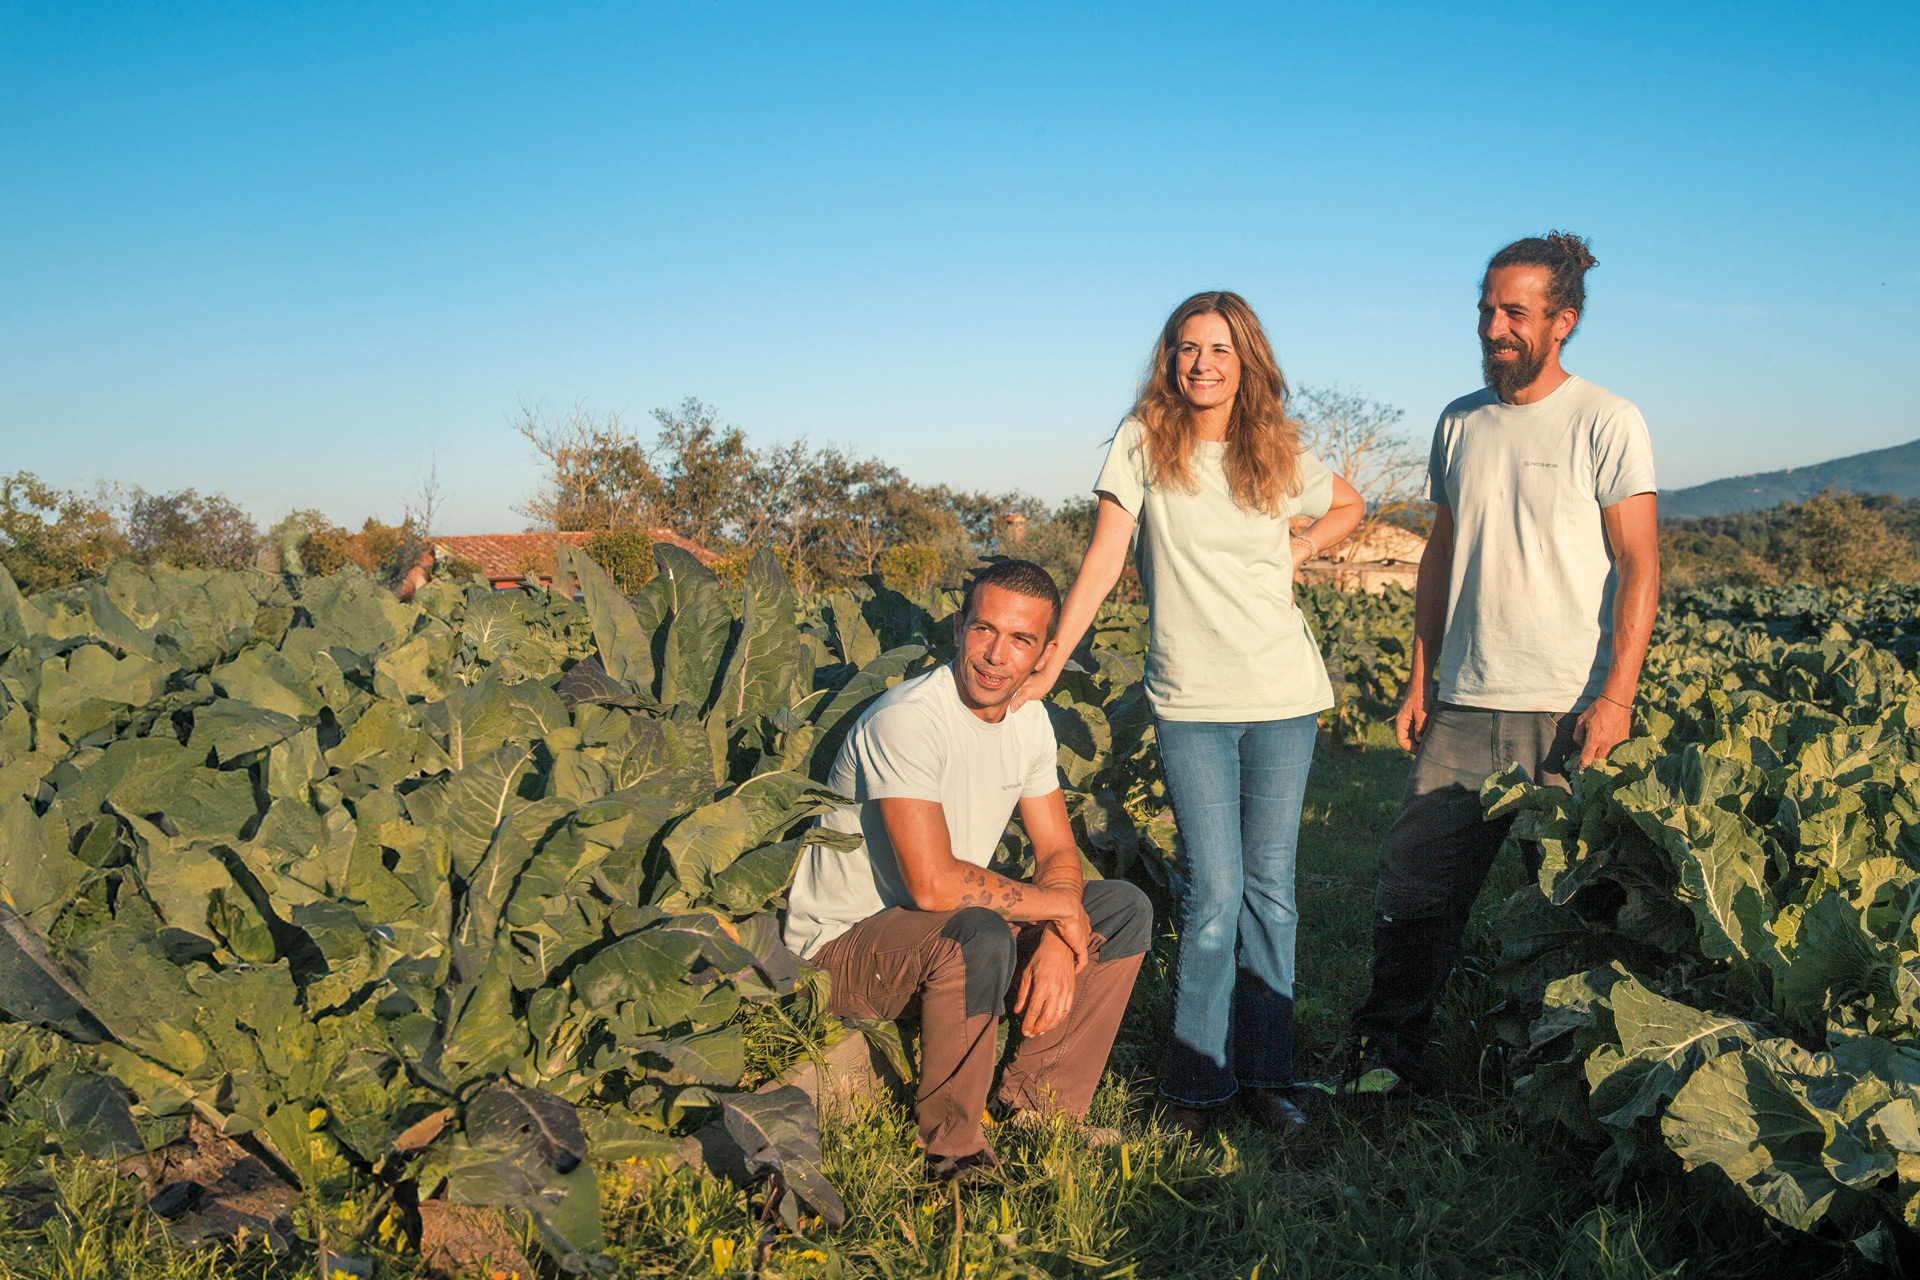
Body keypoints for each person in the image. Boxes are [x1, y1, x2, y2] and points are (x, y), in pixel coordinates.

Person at [1012, 291, 1364, 1138]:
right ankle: (1195, 1087)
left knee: (1271, 892)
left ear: (1248, 362)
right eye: (1186, 349)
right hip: (1189, 702)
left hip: (1282, 695)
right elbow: (1104, 558)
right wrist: (1051, 659)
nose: (1201, 365)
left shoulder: (1277, 450)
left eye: (1218, 350)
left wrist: (1303, 547)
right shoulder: (1142, 443)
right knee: (1215, 893)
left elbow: (1348, 505)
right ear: (1169, 359)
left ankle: (1269, 1078)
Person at [1331, 231, 1659, 1101]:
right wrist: (1419, 678)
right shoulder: (1459, 419)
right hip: (1465, 705)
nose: (1493, 325)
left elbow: (1640, 564)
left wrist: (1616, 696)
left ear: (1564, 322)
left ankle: (1559, 1074)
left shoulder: (1607, 419)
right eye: (1486, 308)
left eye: (1514, 311)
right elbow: (1442, 552)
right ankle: (1389, 1055)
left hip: (1568, 708)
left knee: (1568, 909)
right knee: (1415, 889)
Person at [783, 559, 1153, 1178]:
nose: (995, 655)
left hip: (937, 931)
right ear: (959, 628)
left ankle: (1039, 1106)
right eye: (984, 630)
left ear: (1044, 653)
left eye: (1020, 640)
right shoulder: (908, 720)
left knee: (1121, 909)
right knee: (973, 929)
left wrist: (1063, 937)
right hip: (843, 953)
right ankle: (954, 1148)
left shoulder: (1029, 722)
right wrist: (1060, 908)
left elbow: (1059, 853)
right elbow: (933, 885)